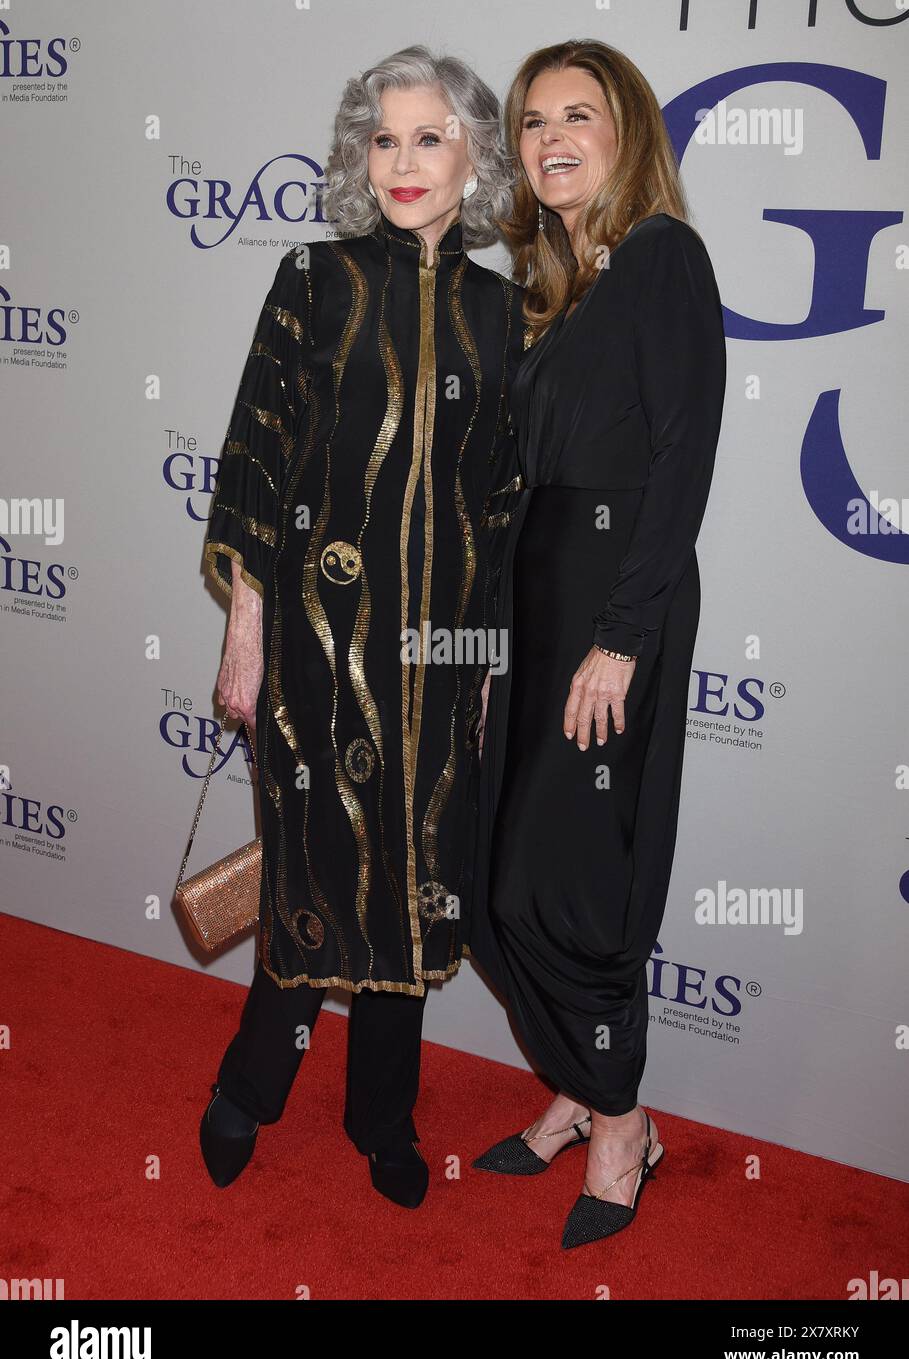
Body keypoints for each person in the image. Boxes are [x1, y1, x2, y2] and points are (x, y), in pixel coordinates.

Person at [198, 45, 525, 1209]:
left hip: (438, 662)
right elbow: (254, 449)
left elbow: (501, 507)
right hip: (314, 645)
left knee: (415, 881)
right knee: (310, 870)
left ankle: (384, 1115)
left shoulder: (506, 311)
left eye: (428, 137)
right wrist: (245, 624)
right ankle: (250, 1089)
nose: (402, 160)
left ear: (474, 155)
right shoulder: (315, 278)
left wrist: (486, 665)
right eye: (383, 138)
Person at [469, 39, 727, 1248]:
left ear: (627, 134)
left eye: (580, 114)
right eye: (532, 121)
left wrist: (620, 639)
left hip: (612, 603)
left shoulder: (664, 259)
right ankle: (581, 1085)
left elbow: (683, 459)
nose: (552, 137)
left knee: (564, 882)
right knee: (490, 881)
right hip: (539, 605)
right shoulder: (561, 279)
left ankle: (619, 1121)